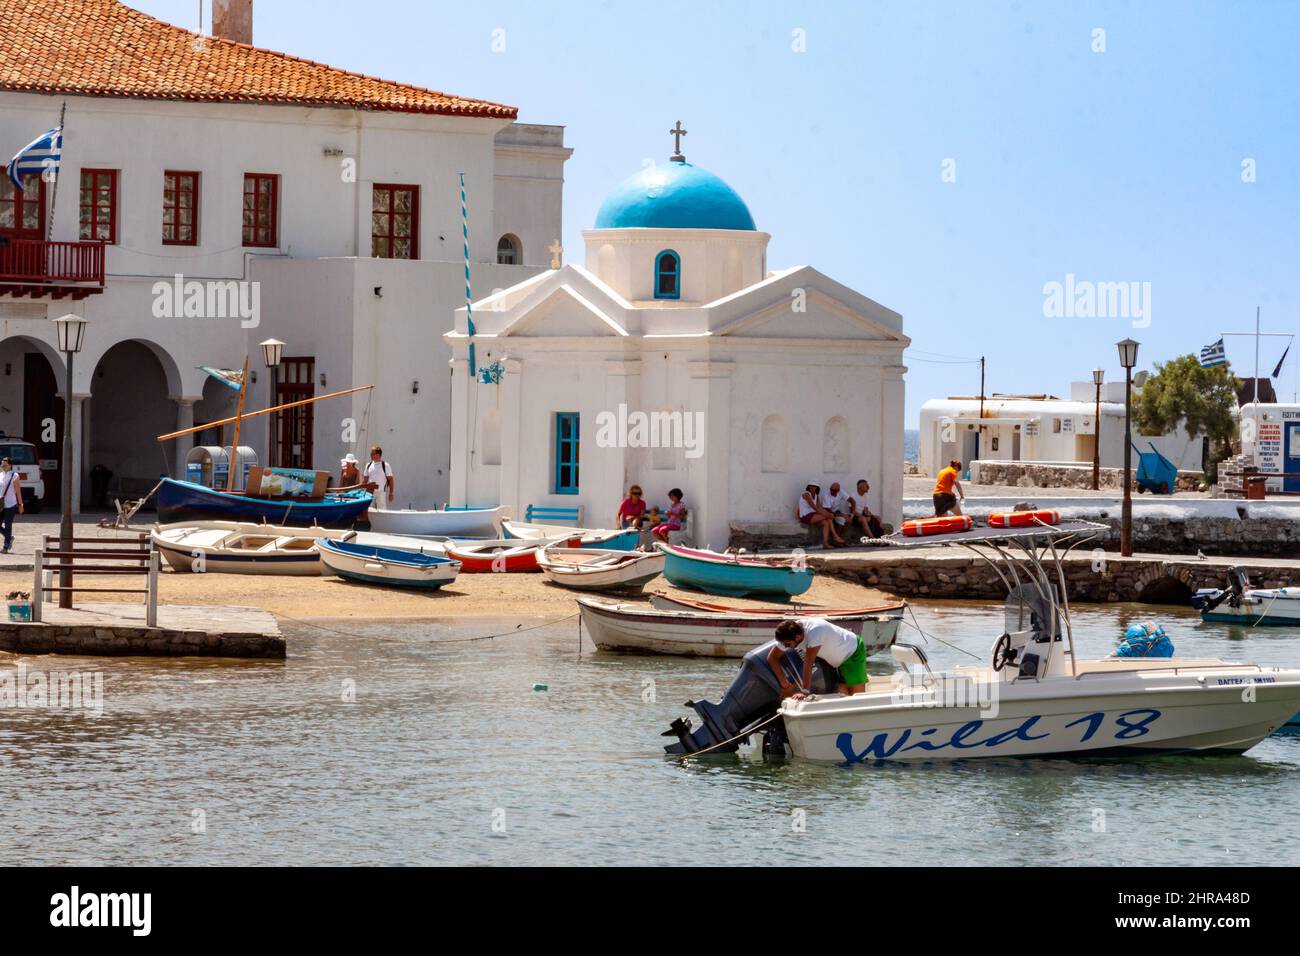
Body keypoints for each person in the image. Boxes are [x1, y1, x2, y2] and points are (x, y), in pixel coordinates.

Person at [767, 617, 869, 699]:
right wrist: (785, 685)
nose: (785, 647)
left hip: (851, 651)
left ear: (797, 637)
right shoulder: (788, 632)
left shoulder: (815, 631)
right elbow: (772, 657)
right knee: (843, 692)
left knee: (856, 696)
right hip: (835, 659)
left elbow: (808, 663)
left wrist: (804, 691)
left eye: (787, 645)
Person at [796, 481, 845, 548]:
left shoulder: (816, 496)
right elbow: (815, 507)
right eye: (811, 486)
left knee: (826, 522)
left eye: (814, 486)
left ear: (817, 488)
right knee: (828, 517)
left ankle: (825, 542)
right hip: (805, 516)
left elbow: (820, 508)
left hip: (813, 515)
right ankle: (835, 536)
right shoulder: (806, 494)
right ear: (808, 487)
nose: (812, 488)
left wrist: (828, 514)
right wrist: (828, 515)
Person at [0, 458, 22, 555]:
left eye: (5, 465)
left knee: (8, 526)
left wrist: (21, 504)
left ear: (10, 465)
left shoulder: (15, 475)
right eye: (2, 465)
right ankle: (9, 537)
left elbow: (18, 492)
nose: (3, 466)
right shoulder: (0, 475)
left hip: (11, 504)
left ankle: (6, 547)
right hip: (1, 505)